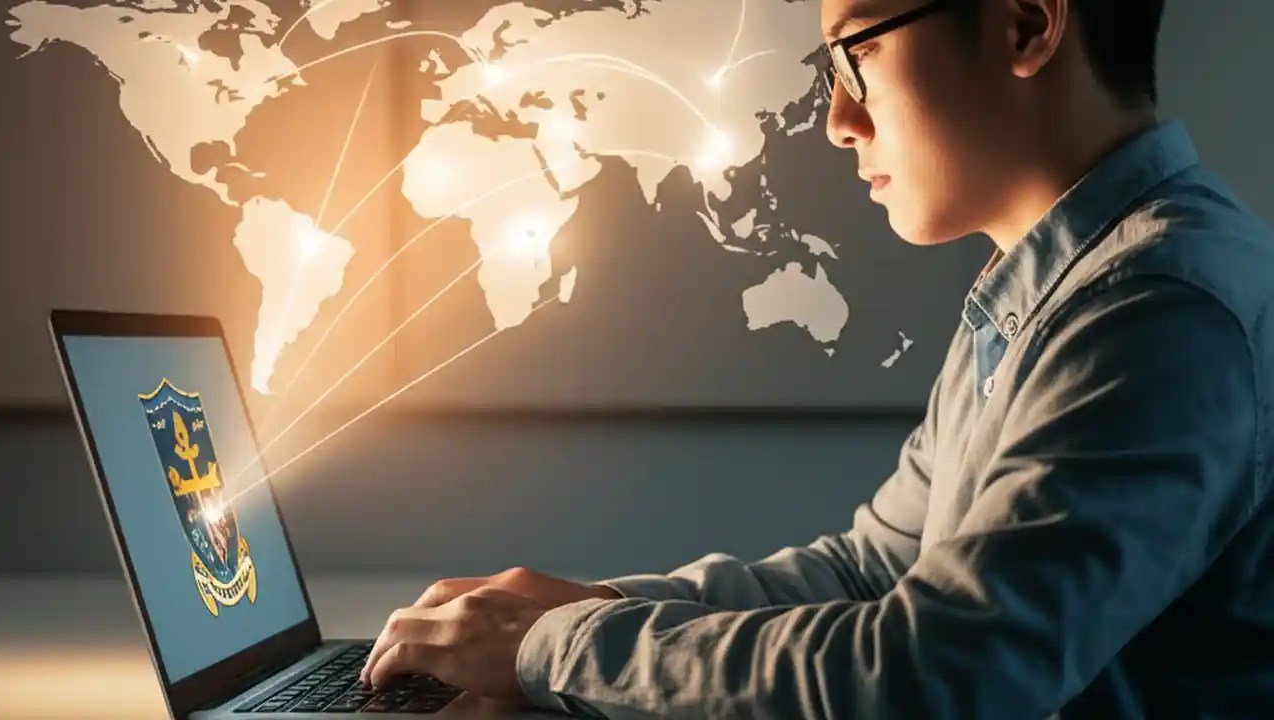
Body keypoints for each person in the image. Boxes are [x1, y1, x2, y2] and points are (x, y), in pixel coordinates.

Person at [359, 0, 1274, 716]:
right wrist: (592, 604)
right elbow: (871, 572)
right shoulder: (1048, 289)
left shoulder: (1156, 309)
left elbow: (939, 672)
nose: (839, 119)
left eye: (858, 52)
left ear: (1027, 24)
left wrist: (557, 646)